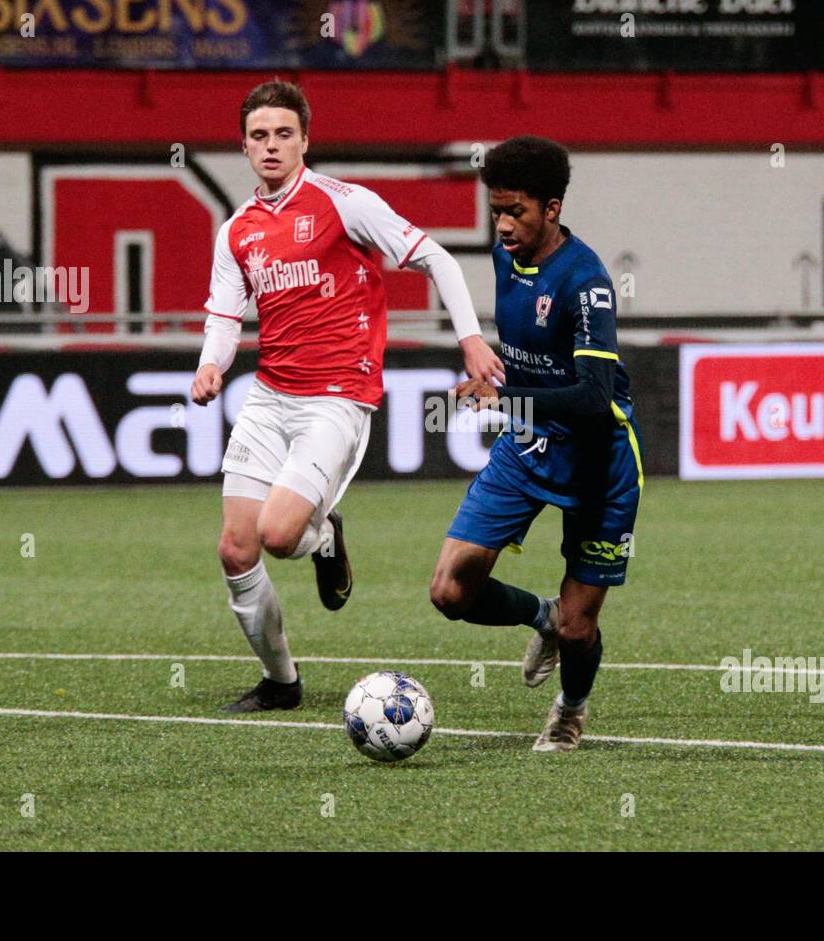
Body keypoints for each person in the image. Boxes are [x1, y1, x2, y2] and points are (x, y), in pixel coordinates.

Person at [193, 80, 502, 713]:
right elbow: (225, 318)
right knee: (234, 547)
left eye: (284, 133)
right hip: (268, 396)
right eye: (259, 136)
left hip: (336, 398)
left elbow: (439, 259)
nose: (271, 146)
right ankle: (281, 682)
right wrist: (209, 367)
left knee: (280, 537)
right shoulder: (236, 233)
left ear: (305, 140)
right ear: (244, 147)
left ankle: (322, 537)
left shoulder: (346, 203)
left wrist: (470, 340)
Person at [429, 135, 643, 751]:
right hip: (525, 445)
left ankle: (570, 709)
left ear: (552, 207)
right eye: (494, 210)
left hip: (597, 462)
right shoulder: (506, 256)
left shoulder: (587, 283)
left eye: (515, 211)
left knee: (582, 630)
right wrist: (499, 379)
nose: (501, 224)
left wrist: (508, 401)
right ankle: (540, 615)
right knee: (450, 591)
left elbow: (594, 396)